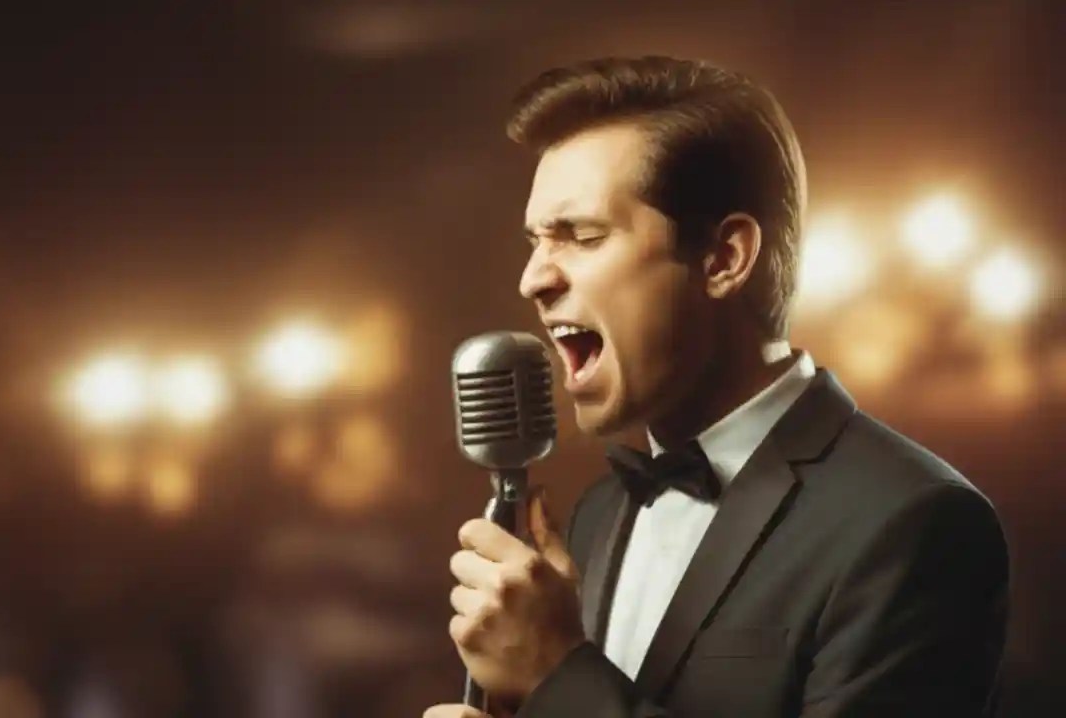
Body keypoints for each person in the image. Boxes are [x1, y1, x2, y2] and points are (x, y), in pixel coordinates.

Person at [425, 56, 1009, 718]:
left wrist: (559, 674)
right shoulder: (595, 514)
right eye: (535, 242)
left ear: (724, 258)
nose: (534, 279)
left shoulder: (916, 522)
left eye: (581, 236)